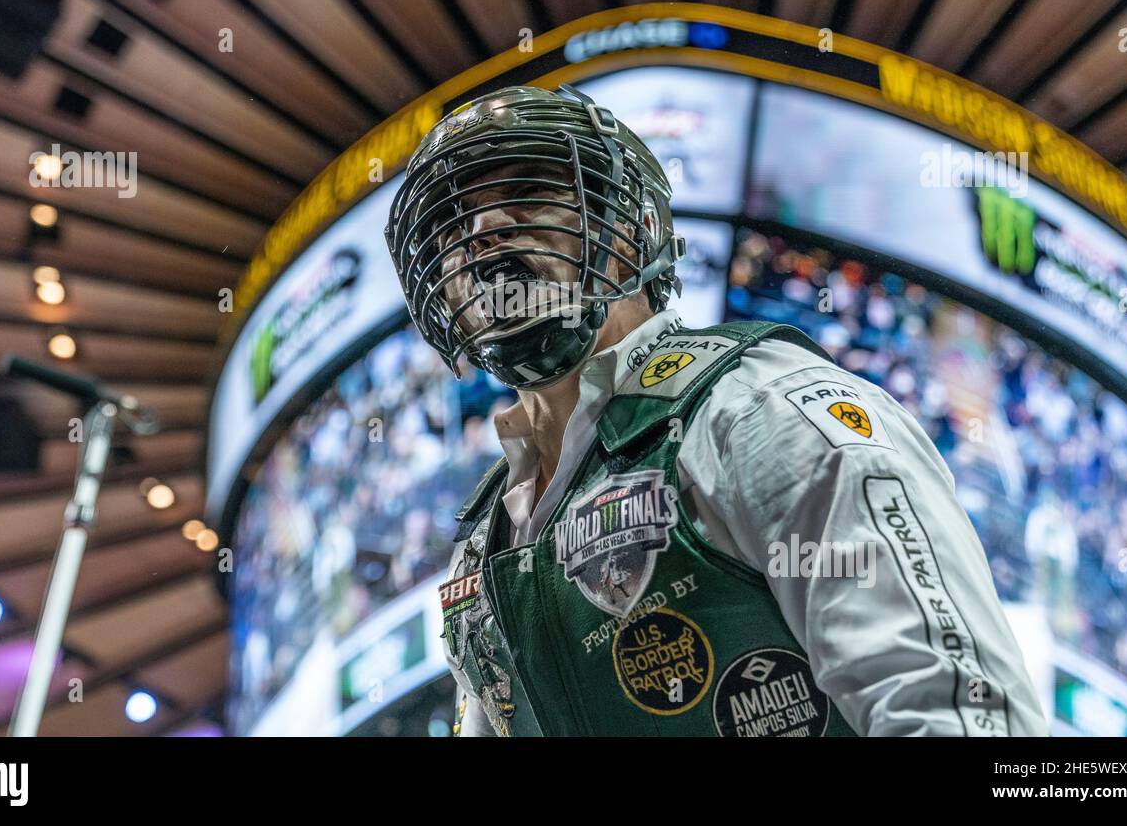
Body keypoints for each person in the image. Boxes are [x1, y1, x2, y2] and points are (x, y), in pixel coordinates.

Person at [384, 85, 1047, 737]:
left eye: (526, 194)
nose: (482, 235)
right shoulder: (479, 547)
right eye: (455, 226)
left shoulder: (759, 410)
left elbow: (960, 715)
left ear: (629, 231)